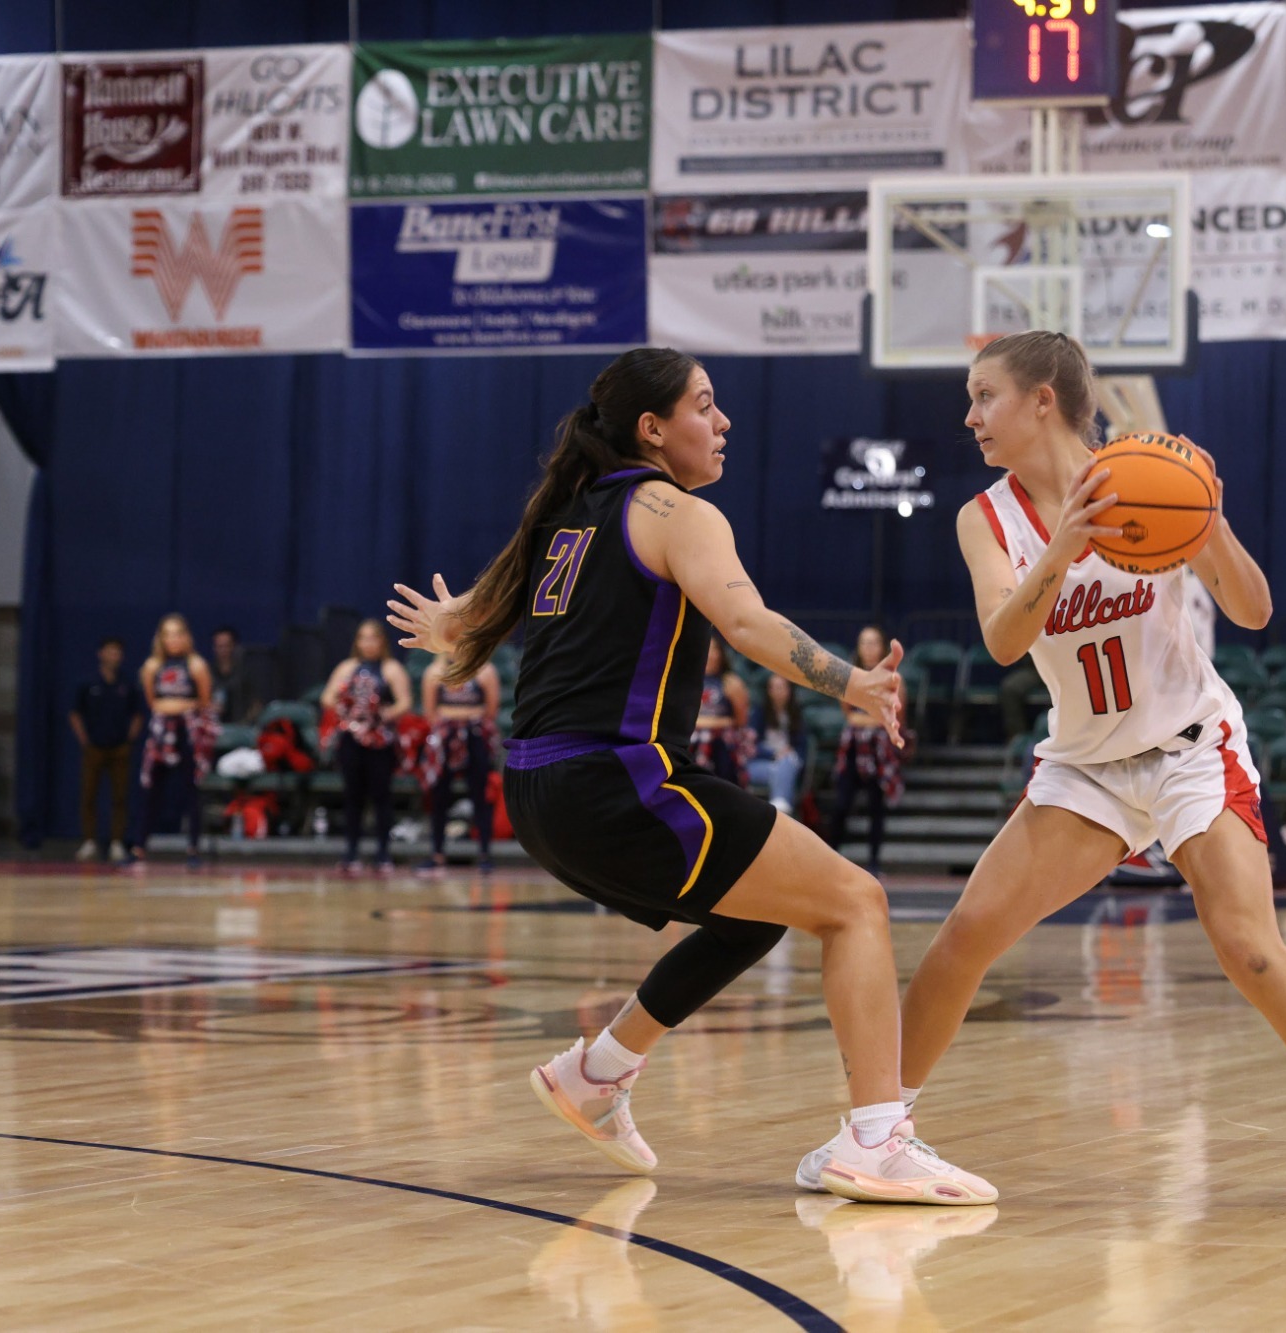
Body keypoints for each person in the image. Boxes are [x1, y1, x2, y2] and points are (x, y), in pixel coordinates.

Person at [796, 330, 1286, 1213]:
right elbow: (1005, 641)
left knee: (1248, 946)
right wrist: (1063, 546)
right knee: (965, 936)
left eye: (985, 396)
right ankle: (877, 1131)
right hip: (1087, 769)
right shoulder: (986, 517)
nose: (970, 415)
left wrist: (1208, 520)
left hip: (1190, 751)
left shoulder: (1150, 481)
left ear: (1043, 399)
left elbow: (1253, 608)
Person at [385, 346, 994, 1204]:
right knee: (857, 902)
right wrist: (851, 682)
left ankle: (600, 1070)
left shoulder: (568, 513)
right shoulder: (675, 513)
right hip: (617, 781)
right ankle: (876, 1139)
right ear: (653, 428)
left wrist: (454, 625)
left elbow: (480, 619)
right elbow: (745, 620)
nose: (723, 422)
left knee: (754, 920)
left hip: (536, 791)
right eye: (705, 406)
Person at [322, 620, 413, 874]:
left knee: (381, 796)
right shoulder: (348, 667)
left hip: (380, 741)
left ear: (382, 641)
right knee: (353, 796)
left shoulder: (391, 668)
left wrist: (382, 714)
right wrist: (347, 711)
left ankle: (383, 852)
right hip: (351, 739)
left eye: (373, 638)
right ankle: (351, 852)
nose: (368, 643)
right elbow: (327, 697)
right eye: (363, 638)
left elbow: (405, 702)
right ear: (357, 642)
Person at [127, 614, 216, 870]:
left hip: (188, 731)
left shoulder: (196, 665)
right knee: (150, 790)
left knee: (191, 791)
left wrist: (181, 706)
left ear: (186, 637)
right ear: (161, 638)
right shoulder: (152, 666)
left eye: (178, 633)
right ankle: (139, 848)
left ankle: (193, 849)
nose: (173, 639)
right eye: (168, 634)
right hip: (160, 732)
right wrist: (170, 706)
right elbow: (153, 702)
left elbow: (205, 700)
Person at [824, 626, 903, 872]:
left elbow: (895, 718)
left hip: (880, 749)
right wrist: (873, 718)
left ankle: (874, 863)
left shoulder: (893, 679)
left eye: (873, 643)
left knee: (876, 807)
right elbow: (848, 716)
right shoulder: (850, 676)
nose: (868, 649)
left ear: (882, 647)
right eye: (863, 643)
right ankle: (830, 859)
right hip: (854, 747)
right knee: (841, 804)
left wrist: (876, 720)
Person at [419, 650, 500, 874]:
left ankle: (484, 853)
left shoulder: (485, 671)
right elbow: (429, 711)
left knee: (480, 795)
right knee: (439, 795)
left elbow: (491, 709)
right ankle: (436, 853)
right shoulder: (434, 672)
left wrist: (466, 718)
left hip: (475, 735)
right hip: (444, 737)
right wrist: (451, 723)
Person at [68, 636, 142, 862]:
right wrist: (85, 740)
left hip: (119, 748)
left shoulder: (127, 684)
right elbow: (74, 713)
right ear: (100, 654)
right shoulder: (88, 683)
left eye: (117, 652)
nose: (114, 656)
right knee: (89, 795)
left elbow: (137, 714)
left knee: (120, 797)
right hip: (94, 747)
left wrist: (129, 739)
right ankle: (90, 841)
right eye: (110, 651)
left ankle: (117, 842)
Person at [690, 637, 752, 785]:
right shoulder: (688, 680)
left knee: (713, 740)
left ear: (721, 654)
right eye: (706, 648)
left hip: (722, 740)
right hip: (693, 738)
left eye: (714, 649)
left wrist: (711, 724)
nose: (710, 653)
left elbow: (741, 720)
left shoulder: (731, 682)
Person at [748, 674, 807, 815]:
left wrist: (787, 753)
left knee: (786, 762)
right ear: (769, 691)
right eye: (774, 687)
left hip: (787, 761)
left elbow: (802, 747)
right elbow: (750, 746)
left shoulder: (796, 714)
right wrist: (773, 754)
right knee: (780, 771)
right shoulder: (759, 713)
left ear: (789, 690)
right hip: (763, 762)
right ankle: (782, 807)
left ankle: (778, 806)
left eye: (781, 687)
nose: (778, 691)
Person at [207, 626, 260, 726]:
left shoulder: (246, 671)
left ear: (234, 646)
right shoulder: (207, 673)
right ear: (214, 648)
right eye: (219, 646)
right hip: (214, 728)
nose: (223, 650)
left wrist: (245, 723)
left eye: (227, 646)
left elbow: (257, 704)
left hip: (242, 728)